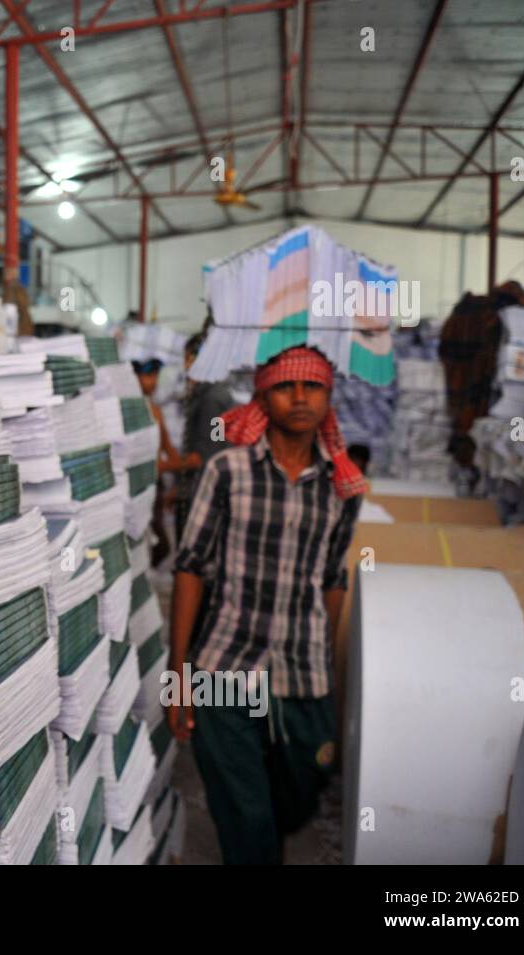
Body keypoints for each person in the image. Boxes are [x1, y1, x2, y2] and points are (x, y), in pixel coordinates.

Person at [168, 346, 364, 865]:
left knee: (297, 798)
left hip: (304, 674)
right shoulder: (227, 472)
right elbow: (190, 568)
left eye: (313, 387)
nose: (300, 398)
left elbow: (332, 578)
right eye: (285, 386)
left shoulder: (343, 486)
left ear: (328, 396)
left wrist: (332, 671)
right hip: (226, 667)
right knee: (245, 815)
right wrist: (179, 677)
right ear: (263, 395)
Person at [174, 331, 237, 540]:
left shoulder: (211, 400)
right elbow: (217, 442)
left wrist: (162, 466)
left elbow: (205, 456)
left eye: (188, 359)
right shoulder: (216, 394)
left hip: (201, 495)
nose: (186, 367)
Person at [133, 357, 187, 567]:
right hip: (141, 485)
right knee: (152, 543)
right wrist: (188, 464)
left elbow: (167, 448)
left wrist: (181, 475)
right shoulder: (129, 412)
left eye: (155, 376)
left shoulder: (155, 409)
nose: (153, 381)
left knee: (160, 545)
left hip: (156, 484)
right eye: (148, 376)